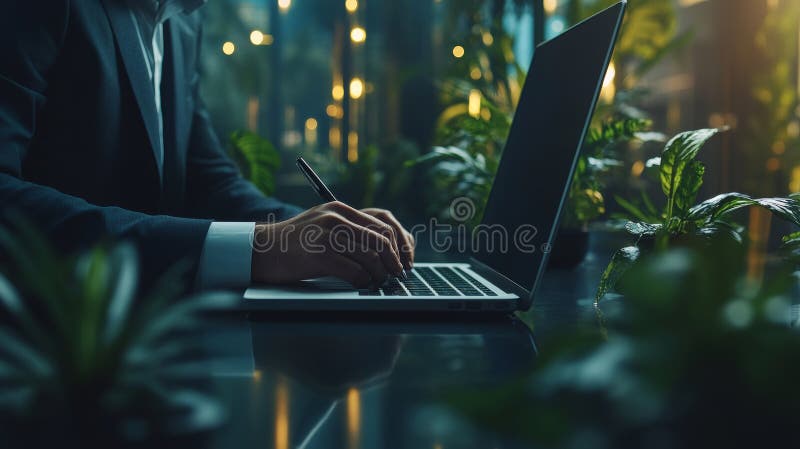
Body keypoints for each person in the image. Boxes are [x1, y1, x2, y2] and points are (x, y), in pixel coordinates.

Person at [0, 0, 414, 291]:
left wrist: (332, 229)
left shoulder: (181, 22)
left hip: (153, 345)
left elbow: (209, 180)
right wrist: (262, 249)